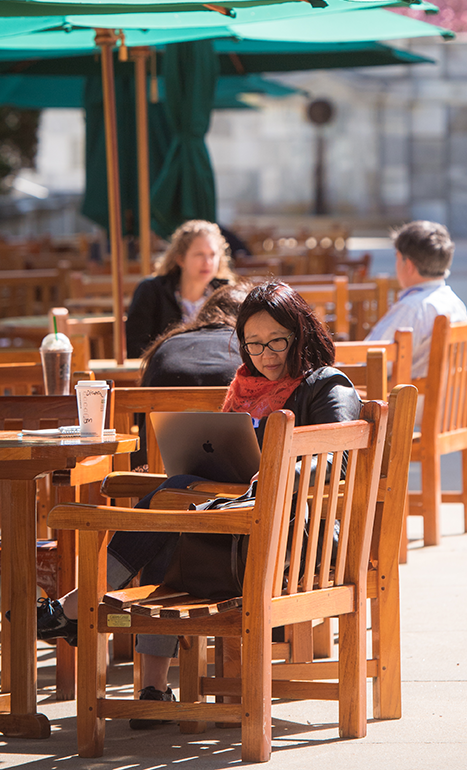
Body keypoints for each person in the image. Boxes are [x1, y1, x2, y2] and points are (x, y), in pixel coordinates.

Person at [36, 281, 360, 726]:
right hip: (236, 529)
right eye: (254, 344)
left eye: (277, 342)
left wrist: (280, 470)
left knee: (173, 507)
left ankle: (80, 608)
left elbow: (338, 459)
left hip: (293, 542)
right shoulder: (244, 388)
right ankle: (151, 688)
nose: (265, 355)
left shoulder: (327, 384)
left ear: (301, 333)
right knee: (176, 502)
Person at [131, 282, 249, 467]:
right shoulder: (249, 349)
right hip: (232, 472)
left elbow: (140, 421)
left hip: (154, 467)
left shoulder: (167, 345)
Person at [367, 220, 467, 379]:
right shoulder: (456, 303)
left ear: (409, 265)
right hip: (443, 402)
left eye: (398, 258)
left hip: (407, 402)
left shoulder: (413, 307)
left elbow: (369, 362)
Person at [126, 220, 235, 359]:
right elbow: (136, 346)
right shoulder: (151, 291)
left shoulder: (225, 294)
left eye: (213, 254)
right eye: (199, 254)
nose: (207, 262)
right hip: (163, 372)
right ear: (181, 259)